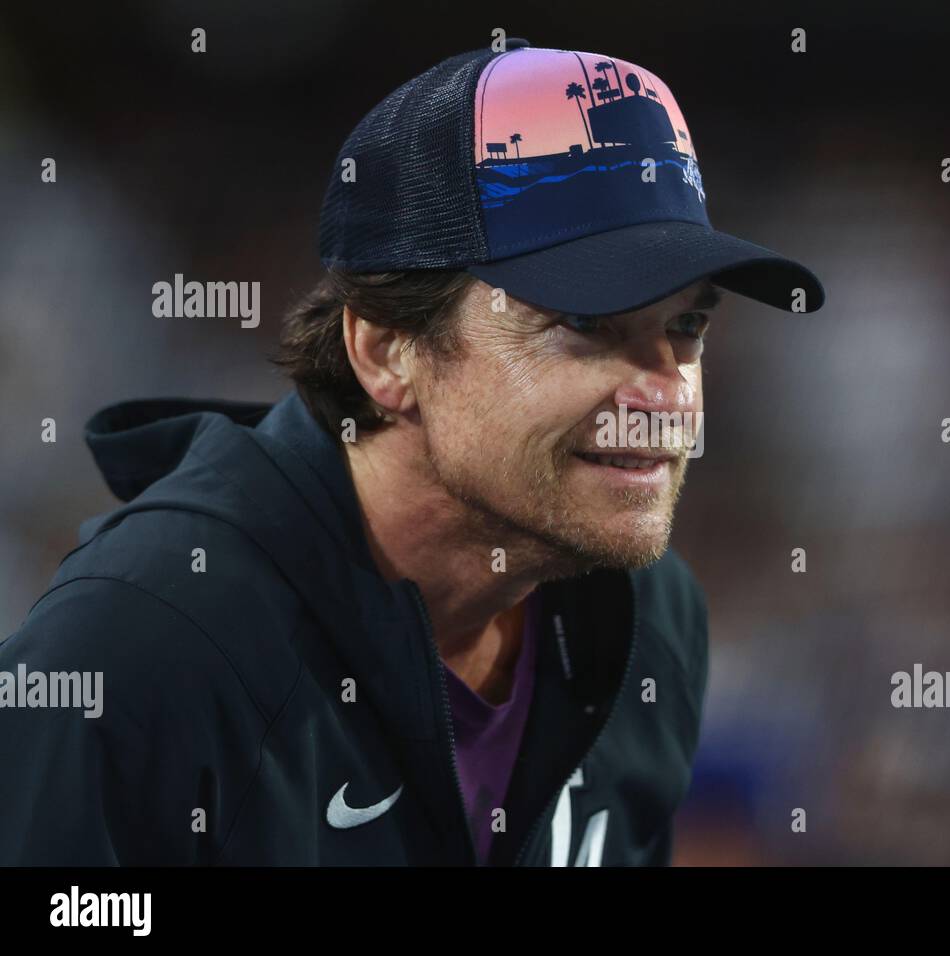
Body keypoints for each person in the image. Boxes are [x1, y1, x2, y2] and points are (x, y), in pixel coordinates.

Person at [0, 37, 824, 865]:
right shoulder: (139, 647)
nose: (666, 394)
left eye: (685, 326)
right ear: (387, 351)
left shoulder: (648, 618)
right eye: (583, 324)